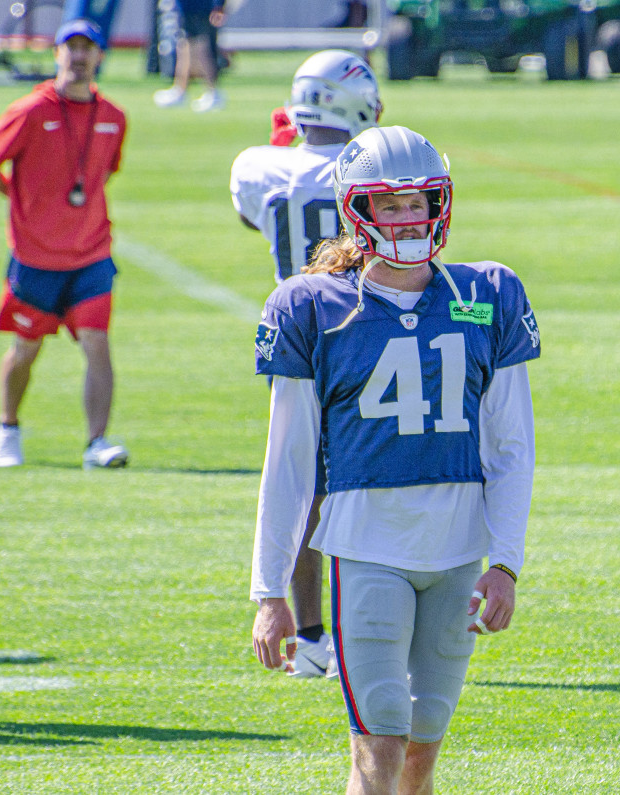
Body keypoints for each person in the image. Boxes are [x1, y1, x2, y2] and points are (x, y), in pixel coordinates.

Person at [249, 125, 539, 793]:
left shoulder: (487, 294)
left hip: (459, 551)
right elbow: (288, 462)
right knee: (378, 743)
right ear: (359, 211)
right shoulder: (315, 307)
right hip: (366, 545)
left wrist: (507, 562)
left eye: (420, 201)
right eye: (392, 204)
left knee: (419, 753)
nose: (409, 217)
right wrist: (269, 591)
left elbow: (511, 445)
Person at [231, 50, 383, 679]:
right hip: (363, 332)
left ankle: (315, 641)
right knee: (373, 487)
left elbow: (250, 214)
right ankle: (367, 636)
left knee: (300, 490)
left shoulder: (258, 167)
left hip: (296, 335)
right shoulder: (367, 169)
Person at [0, 18, 129, 470]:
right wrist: (17, 197)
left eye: (87, 48)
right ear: (56, 54)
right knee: (27, 347)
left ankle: (98, 442)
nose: (78, 56)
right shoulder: (31, 110)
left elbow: (105, 172)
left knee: (97, 343)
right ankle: (8, 428)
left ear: (99, 56)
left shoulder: (113, 117)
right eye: (69, 47)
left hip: (92, 254)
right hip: (35, 257)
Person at [153, 0, 225, 112]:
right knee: (184, 45)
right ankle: (180, 89)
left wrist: (218, 5)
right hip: (187, 6)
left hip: (196, 6)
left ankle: (212, 92)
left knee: (198, 47)